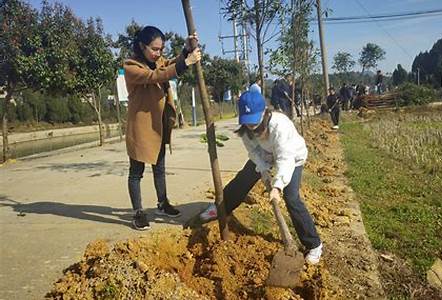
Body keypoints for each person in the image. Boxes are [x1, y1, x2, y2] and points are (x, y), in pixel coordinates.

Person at [199, 91, 323, 265]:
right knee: (243, 179)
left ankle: (314, 244)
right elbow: (253, 152)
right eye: (247, 121)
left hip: (293, 157)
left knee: (291, 197)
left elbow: (285, 158)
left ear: (265, 111)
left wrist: (277, 186)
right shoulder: (245, 129)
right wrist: (263, 169)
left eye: (254, 120)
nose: (251, 126)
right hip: (265, 156)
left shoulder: (280, 126)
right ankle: (221, 208)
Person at [124, 26, 201, 230]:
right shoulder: (131, 67)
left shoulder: (158, 62)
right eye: (155, 49)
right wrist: (186, 63)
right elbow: (156, 76)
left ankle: (162, 203)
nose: (159, 53)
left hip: (158, 127)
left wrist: (186, 50)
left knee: (159, 169)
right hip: (140, 129)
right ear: (142, 46)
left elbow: (168, 65)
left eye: (161, 49)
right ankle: (138, 213)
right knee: (136, 173)